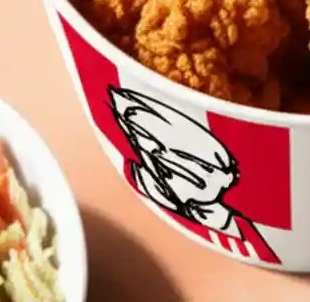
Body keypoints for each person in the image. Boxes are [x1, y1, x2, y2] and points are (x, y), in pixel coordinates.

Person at [109, 87, 280, 263]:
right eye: (155, 153)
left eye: (203, 167)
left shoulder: (238, 227)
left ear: (227, 178)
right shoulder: (137, 178)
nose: (174, 168)